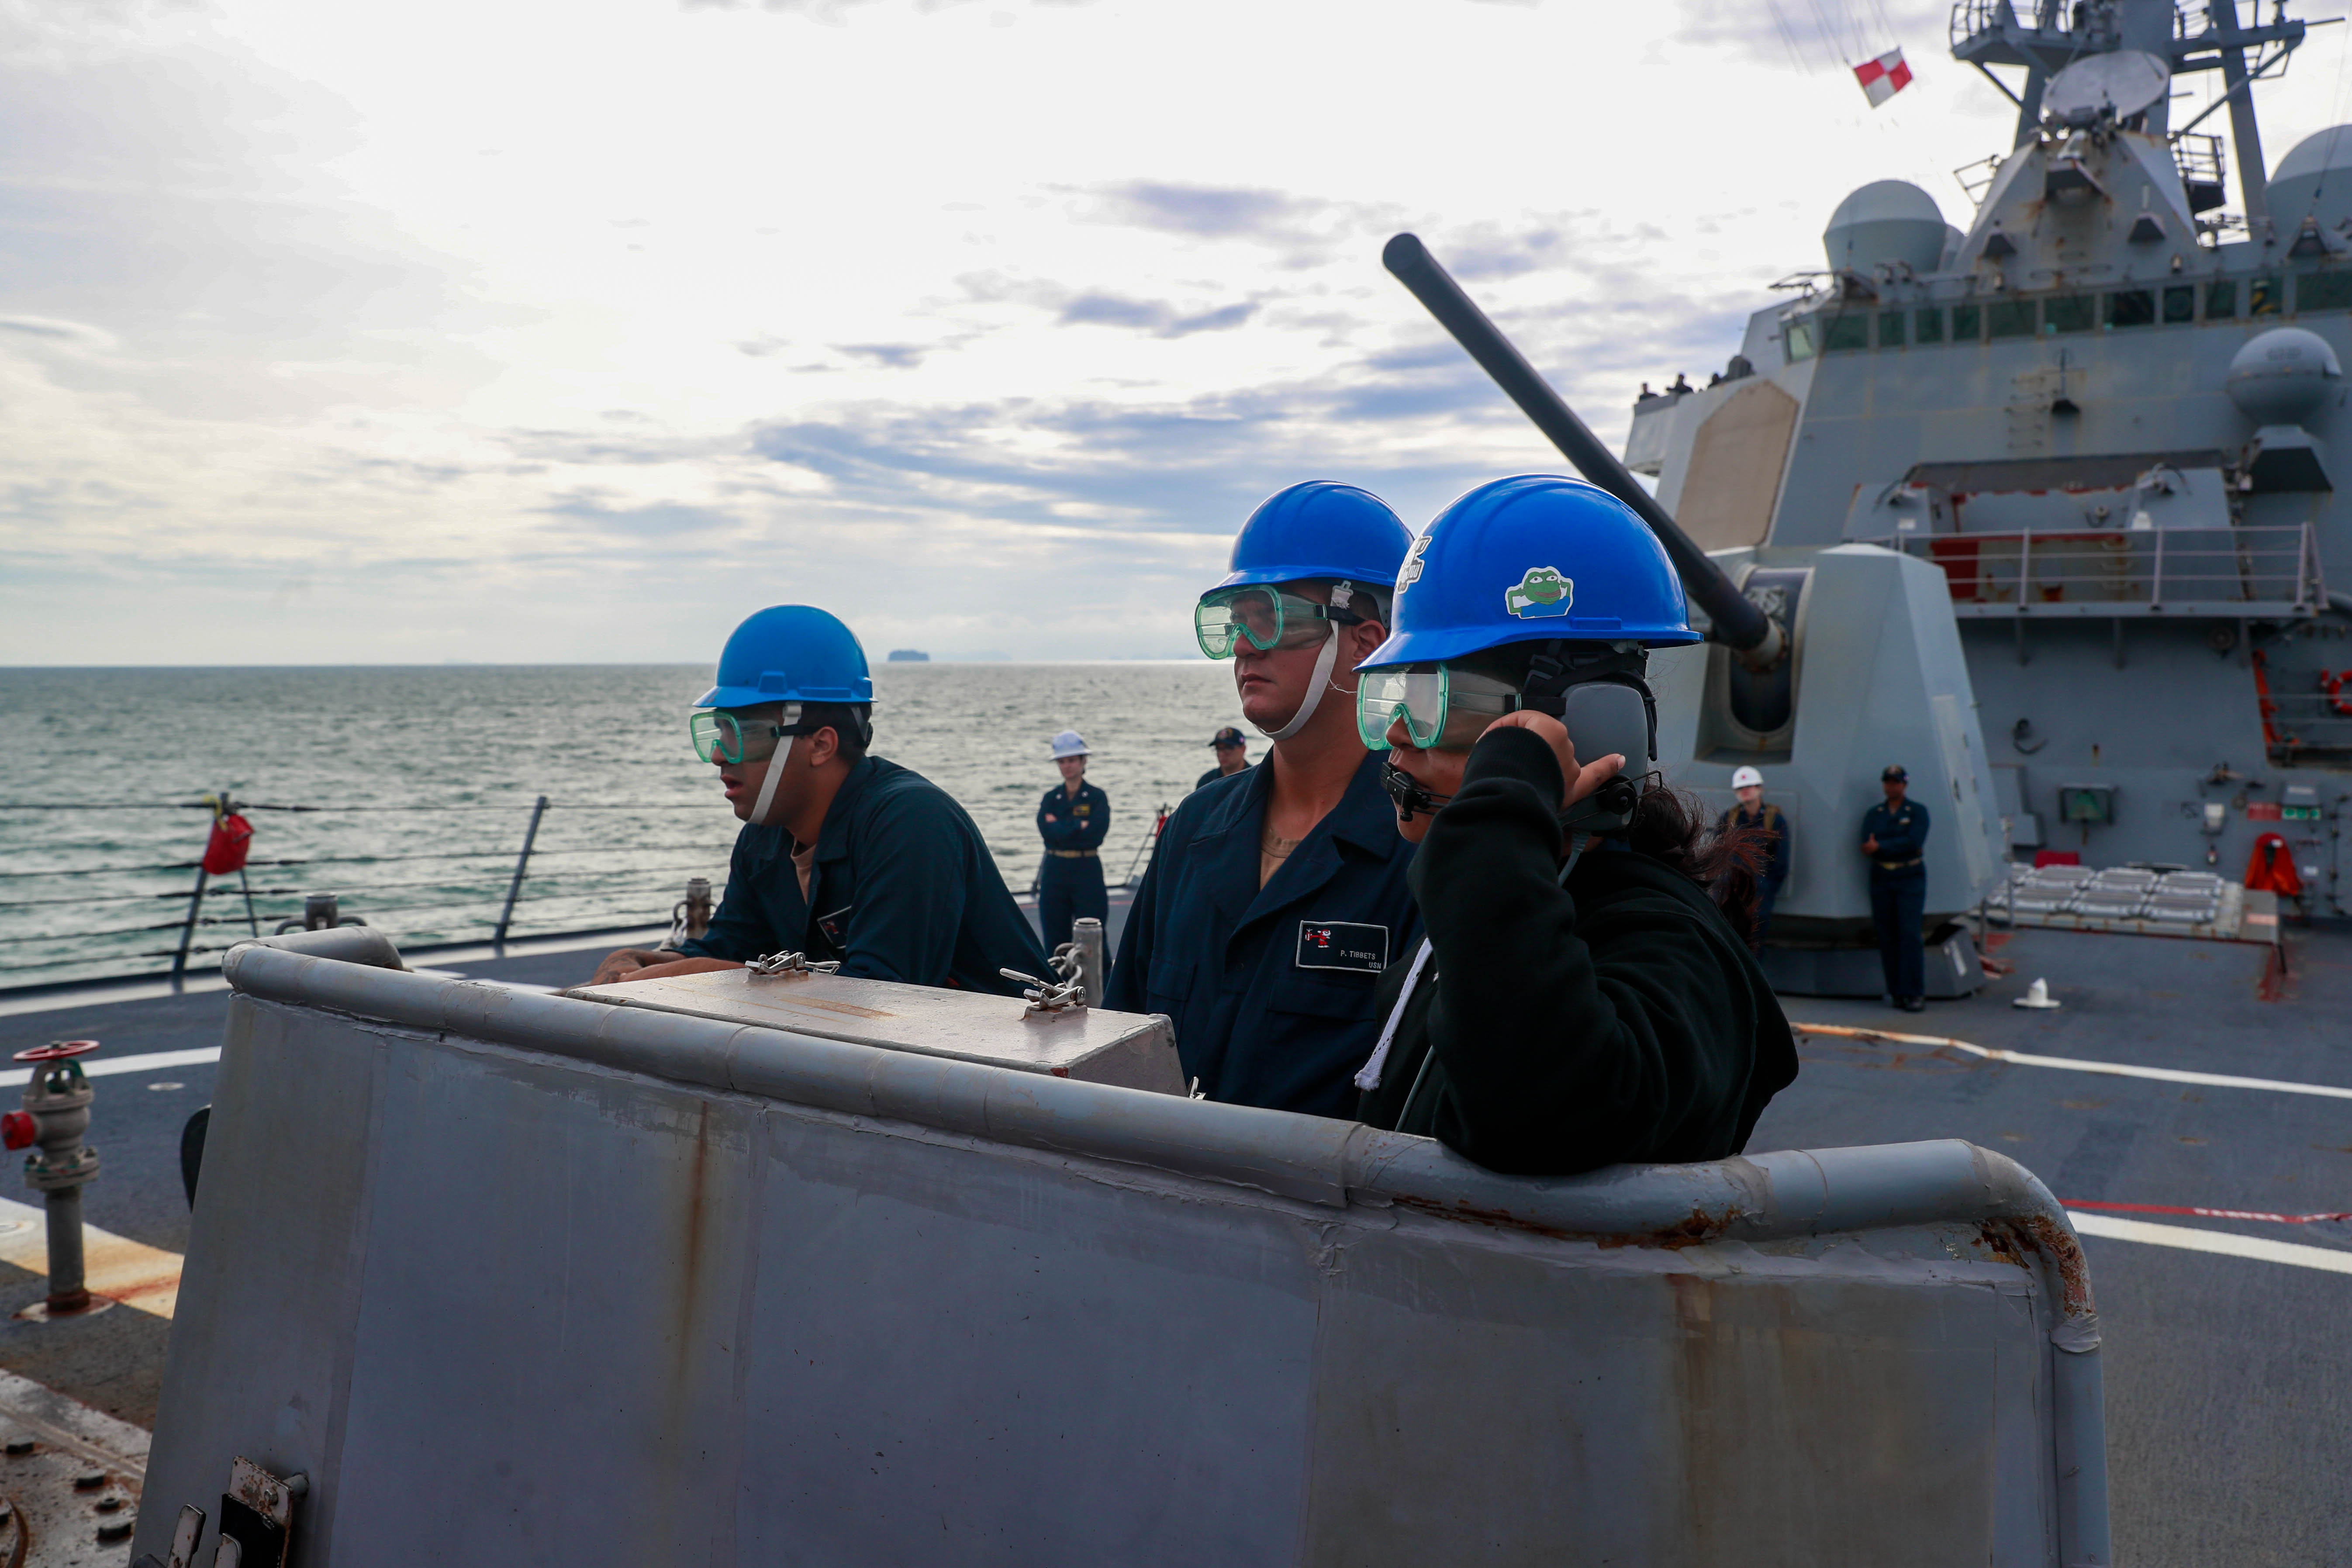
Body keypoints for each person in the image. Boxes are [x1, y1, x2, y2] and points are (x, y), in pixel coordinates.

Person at [1349, 473, 1797, 1177]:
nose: (1397, 737)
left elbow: (1540, 1112)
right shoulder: (1477, 928)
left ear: (1587, 727)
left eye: (1437, 703)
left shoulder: (1675, 953)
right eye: (1389, 700)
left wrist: (1501, 806)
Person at [1106, 480, 1421, 1118]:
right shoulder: (1195, 830)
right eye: (1236, 625)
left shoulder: (1421, 845)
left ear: (1366, 642)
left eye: (1271, 618)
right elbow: (1120, 1039)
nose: (1245, 646)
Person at [587, 605, 1051, 994]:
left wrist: (688, 975)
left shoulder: (911, 822)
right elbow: (730, 949)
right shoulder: (764, 841)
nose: (716, 755)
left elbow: (881, 998)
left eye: (740, 735)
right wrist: (644, 962)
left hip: (1014, 1080)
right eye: (715, 732)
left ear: (821, 744)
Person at [1862, 763, 1931, 1012]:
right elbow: (1865, 843)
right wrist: (1887, 847)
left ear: (1905, 784)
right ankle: (1896, 991)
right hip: (1882, 878)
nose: (1892, 786)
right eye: (1888, 782)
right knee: (1888, 936)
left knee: (1910, 935)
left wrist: (1881, 846)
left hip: (1909, 877)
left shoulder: (1918, 812)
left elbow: (1914, 841)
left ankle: (1914, 992)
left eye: (1897, 782)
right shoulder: (1875, 814)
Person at [1037, 729, 1110, 951]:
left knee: (1092, 937)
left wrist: (1060, 826)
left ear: (1083, 761)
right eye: (1062, 762)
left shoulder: (1097, 797)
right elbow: (1046, 832)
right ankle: (1056, 985)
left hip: (1086, 870)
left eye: (1071, 761)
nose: (1067, 766)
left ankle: (1100, 985)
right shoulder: (1051, 798)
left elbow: (1096, 834)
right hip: (1054, 870)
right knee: (1054, 939)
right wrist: (1079, 825)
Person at [1717, 764, 1790, 946]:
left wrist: (1767, 888)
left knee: (1755, 939)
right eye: (1741, 788)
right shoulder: (1729, 818)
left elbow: (1781, 860)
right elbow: (1717, 851)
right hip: (1731, 888)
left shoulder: (1774, 820)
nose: (1745, 791)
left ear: (1760, 789)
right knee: (1729, 935)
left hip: (1760, 890)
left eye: (1749, 787)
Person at [1195, 726, 1250, 791]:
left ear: (1243, 749)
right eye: (1218, 749)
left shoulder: (1256, 778)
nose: (1222, 754)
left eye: (1228, 748)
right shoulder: (1206, 782)